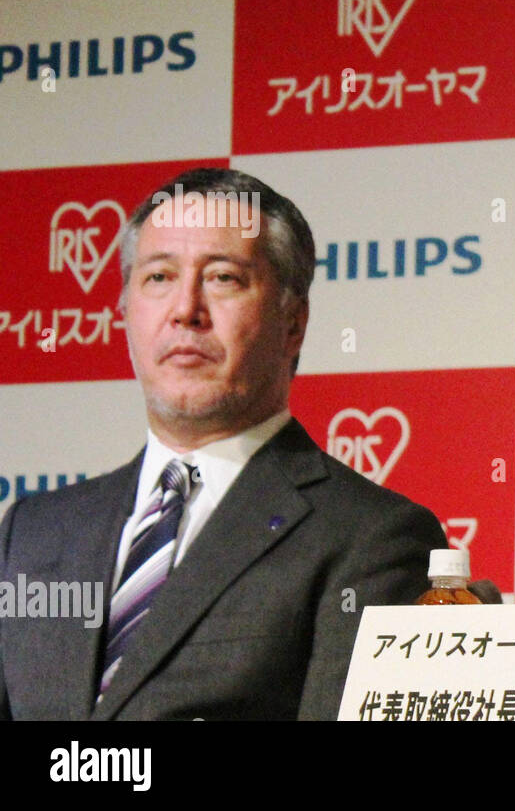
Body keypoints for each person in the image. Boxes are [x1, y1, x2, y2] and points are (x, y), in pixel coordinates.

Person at [0, 168, 447, 720]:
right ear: (124, 310)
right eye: (158, 277)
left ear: (294, 323)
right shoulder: (33, 532)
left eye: (223, 278)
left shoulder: (373, 539)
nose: (185, 309)